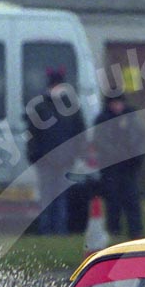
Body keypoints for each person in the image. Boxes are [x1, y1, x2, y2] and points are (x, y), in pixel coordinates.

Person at [27, 69, 86, 235]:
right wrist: (35, 155)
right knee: (46, 198)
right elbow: (33, 134)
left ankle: (60, 230)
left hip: (64, 160)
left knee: (61, 198)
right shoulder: (41, 107)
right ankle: (46, 230)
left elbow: (79, 132)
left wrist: (75, 154)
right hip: (45, 161)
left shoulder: (71, 106)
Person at [92, 93, 145, 240]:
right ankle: (114, 229)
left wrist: (134, 156)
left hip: (129, 166)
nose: (117, 106)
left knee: (132, 199)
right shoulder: (103, 120)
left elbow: (140, 138)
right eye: (114, 103)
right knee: (113, 200)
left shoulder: (131, 117)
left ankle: (135, 231)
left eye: (119, 103)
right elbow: (100, 141)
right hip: (111, 167)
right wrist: (116, 155)